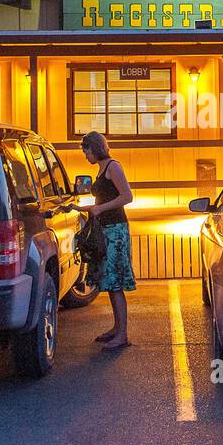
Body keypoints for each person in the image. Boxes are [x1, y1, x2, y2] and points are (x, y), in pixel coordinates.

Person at [82, 131, 135, 351]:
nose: (85, 156)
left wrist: (100, 208)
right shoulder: (101, 169)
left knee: (115, 282)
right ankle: (116, 328)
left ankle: (122, 335)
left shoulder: (113, 166)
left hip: (116, 230)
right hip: (105, 229)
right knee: (110, 281)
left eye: (86, 151)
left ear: (95, 148)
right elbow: (103, 198)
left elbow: (127, 196)